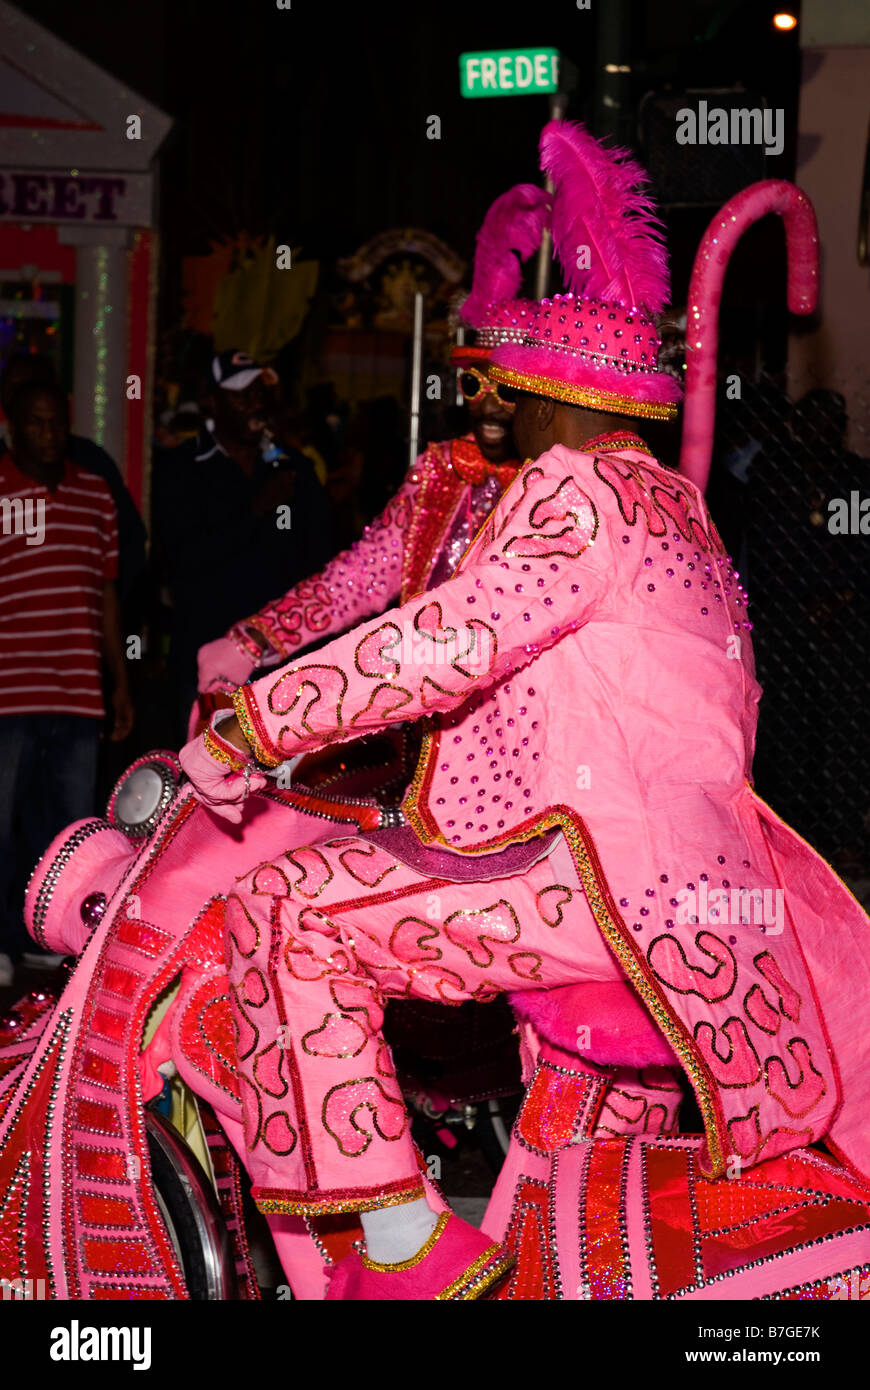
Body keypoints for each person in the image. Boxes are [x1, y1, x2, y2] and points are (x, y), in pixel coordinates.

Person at [180, 122, 870, 1300]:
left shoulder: (578, 491)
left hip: (598, 877)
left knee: (286, 908)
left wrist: (259, 723)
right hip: (700, 910)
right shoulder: (678, 510)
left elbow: (445, 641)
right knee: (553, 1174)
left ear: (555, 398)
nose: (491, 406)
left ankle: (397, 1239)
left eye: (507, 388)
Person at [0, 380, 134, 983]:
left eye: (57, 422)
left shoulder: (95, 492)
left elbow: (106, 593)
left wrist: (119, 683)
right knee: (1, 823)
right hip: (9, 689)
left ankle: (52, 934)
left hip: (78, 689)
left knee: (69, 826)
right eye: (35, 423)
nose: (49, 435)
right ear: (11, 423)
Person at [151, 350, 333, 740]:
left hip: (284, 661)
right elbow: (183, 560)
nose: (254, 403)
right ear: (212, 404)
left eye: (258, 392)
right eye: (240, 394)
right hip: (209, 658)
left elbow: (323, 562)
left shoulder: (293, 468)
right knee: (205, 776)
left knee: (282, 785)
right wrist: (256, 509)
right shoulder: (182, 468)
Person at [0, 354, 147, 609]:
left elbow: (129, 541)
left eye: (33, 387)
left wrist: (101, 611)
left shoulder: (89, 462)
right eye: (14, 389)